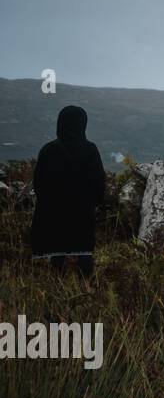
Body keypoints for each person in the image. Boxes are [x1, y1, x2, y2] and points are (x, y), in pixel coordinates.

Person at [30, 105, 106, 277]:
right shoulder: (90, 150)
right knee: (84, 252)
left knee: (57, 253)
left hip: (53, 213)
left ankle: (56, 288)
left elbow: (38, 185)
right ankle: (85, 291)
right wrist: (91, 204)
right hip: (82, 215)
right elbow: (99, 185)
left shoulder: (48, 150)